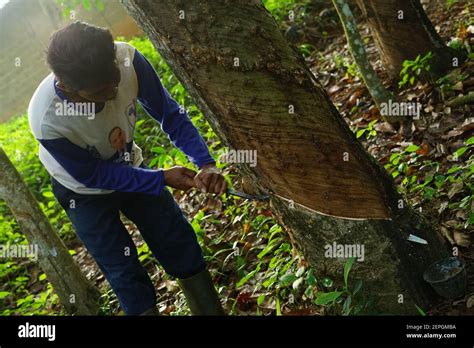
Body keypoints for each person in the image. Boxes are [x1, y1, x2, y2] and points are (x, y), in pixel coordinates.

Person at [28, 21, 227, 316]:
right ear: (69, 86)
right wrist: (159, 178)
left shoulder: (128, 60)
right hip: (83, 194)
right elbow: (94, 174)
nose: (113, 91)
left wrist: (205, 163)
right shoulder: (47, 118)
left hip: (129, 164)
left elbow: (169, 114)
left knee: (176, 239)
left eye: (114, 79)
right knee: (123, 272)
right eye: (99, 91)